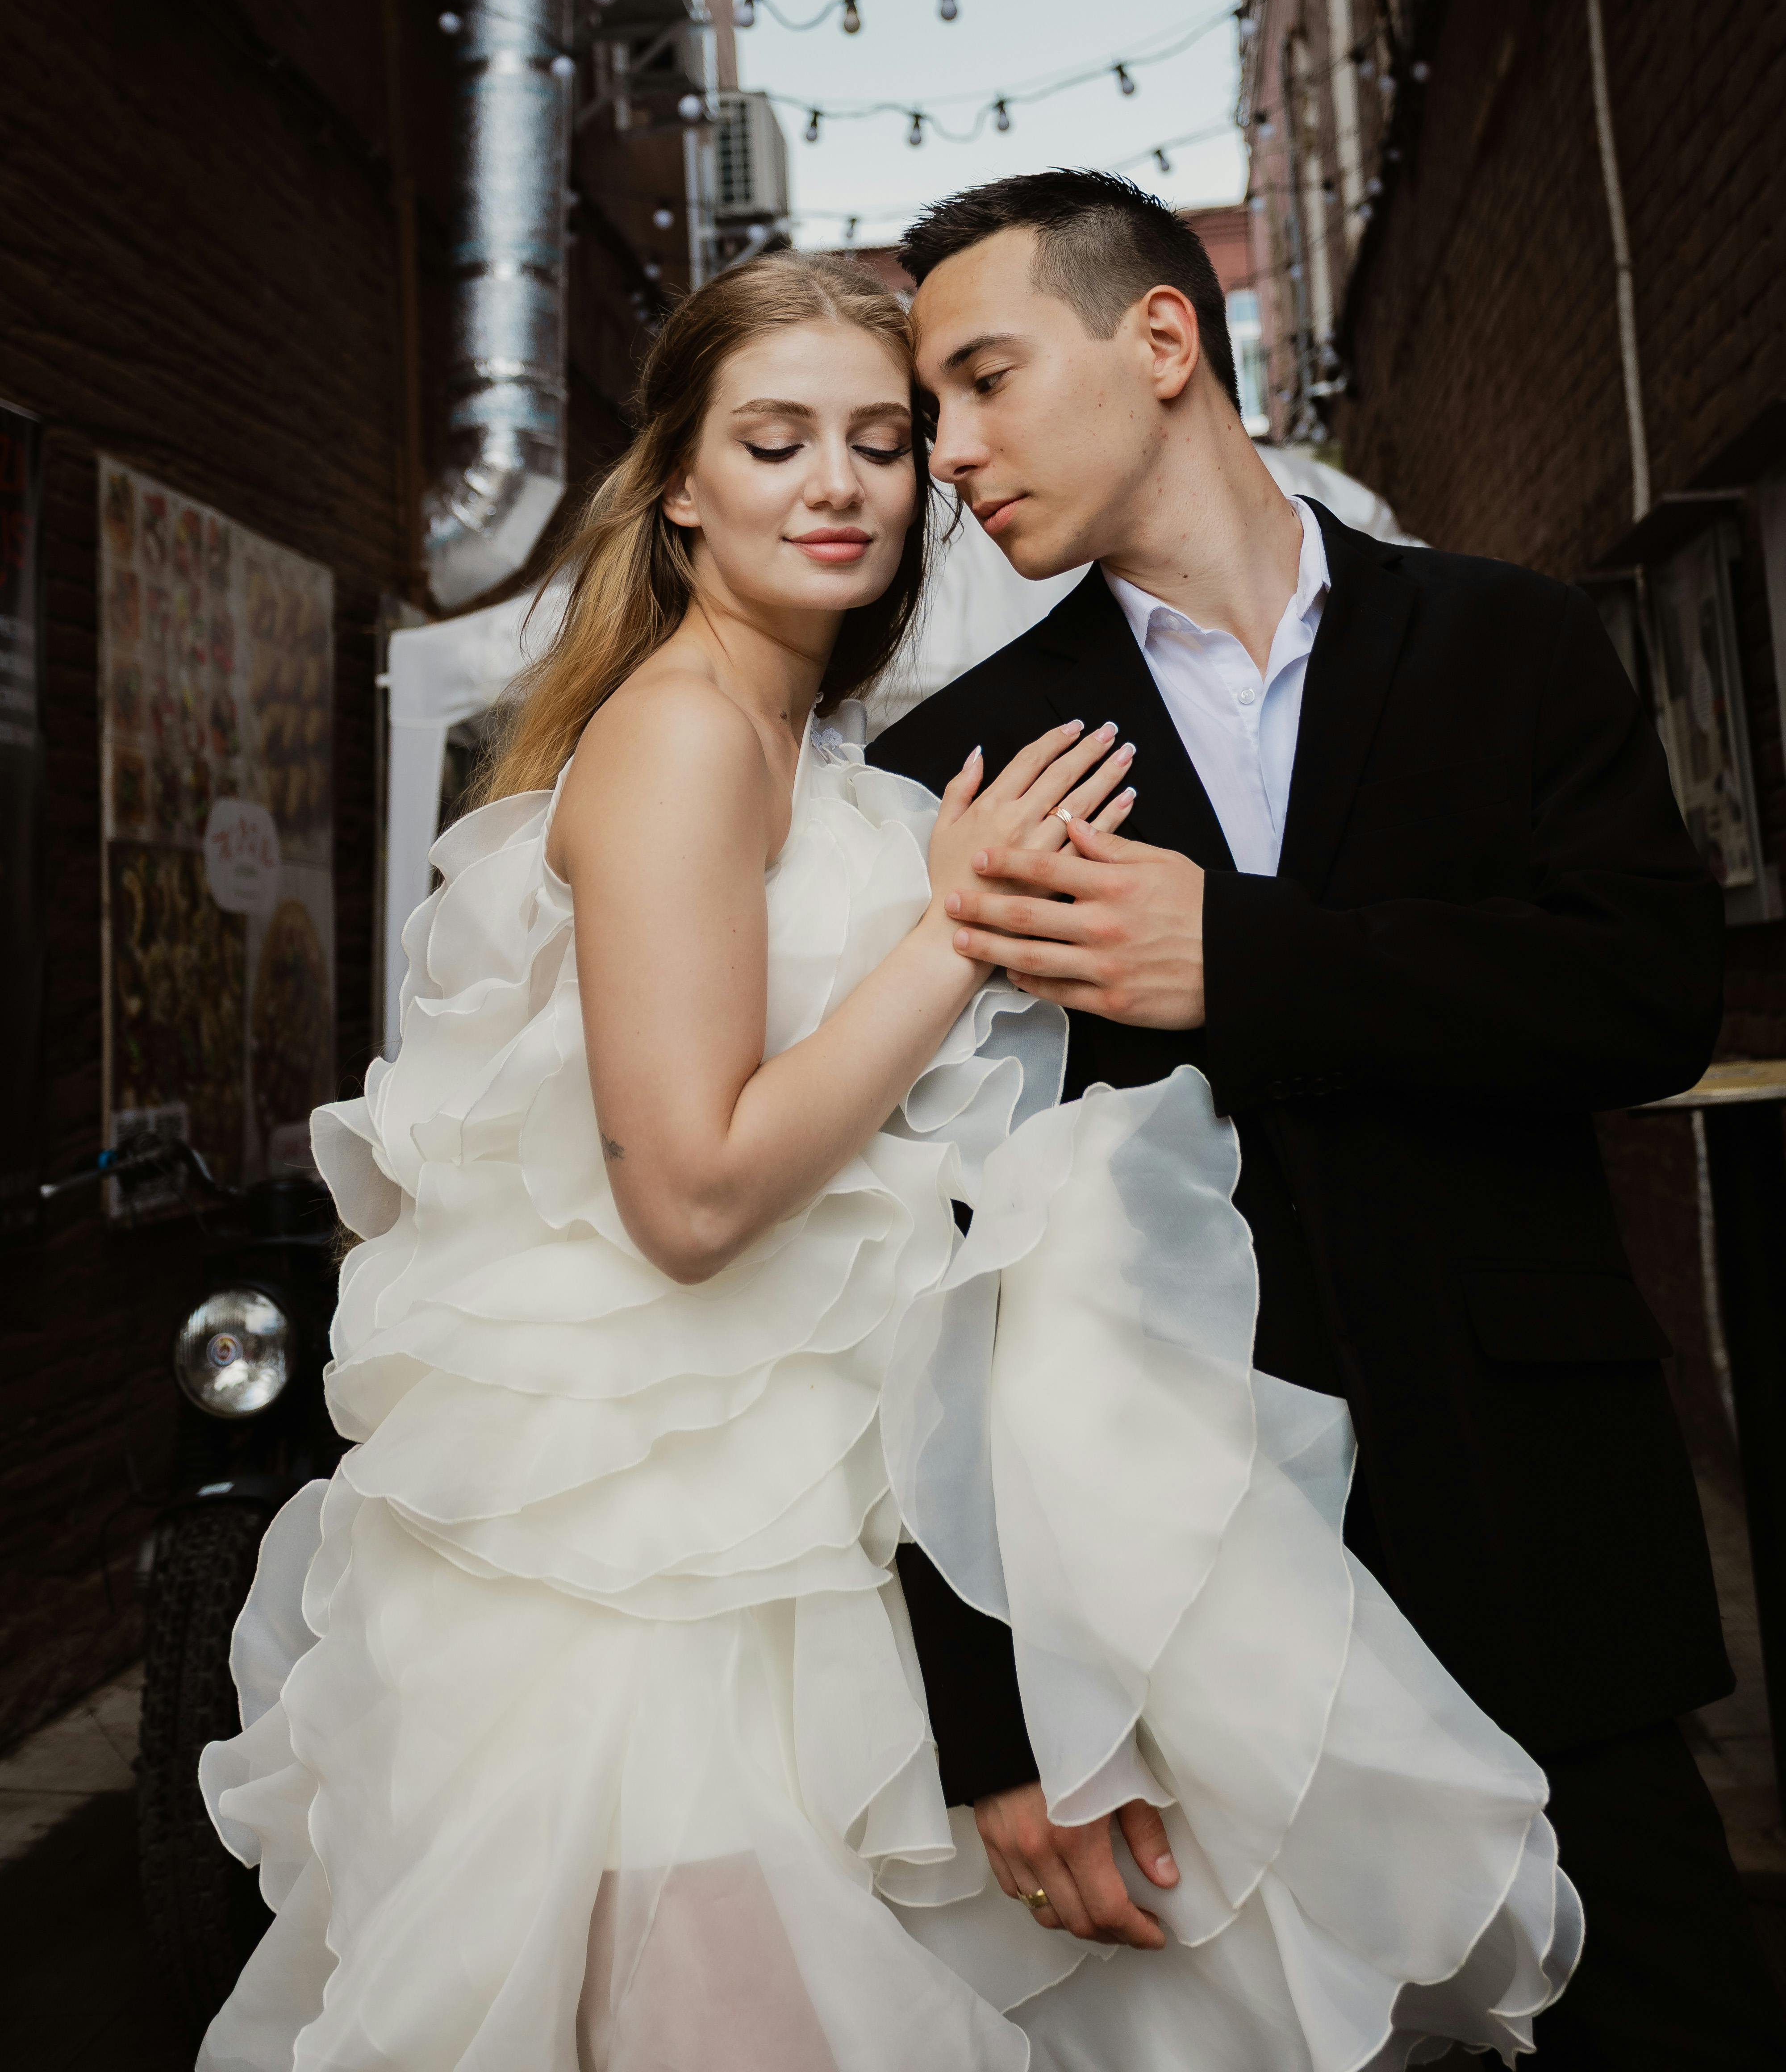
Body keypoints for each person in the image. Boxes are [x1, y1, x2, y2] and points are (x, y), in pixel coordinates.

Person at [196, 253, 1578, 2072]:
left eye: (879, 443)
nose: (838, 484)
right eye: (775, 442)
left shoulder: (809, 742)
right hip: (670, 1556)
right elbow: (685, 1197)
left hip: (825, 1495)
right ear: (679, 483)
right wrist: (956, 934)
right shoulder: (687, 740)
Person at [867, 169, 1786, 2069]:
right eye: (928, 409)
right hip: (1184, 1615)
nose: (946, 453)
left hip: (1549, 1547)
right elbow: (910, 1273)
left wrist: (1251, 964)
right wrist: (994, 1718)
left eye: (980, 378)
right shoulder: (949, 765)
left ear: (1161, 337)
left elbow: (1642, 996)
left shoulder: (1510, 642)